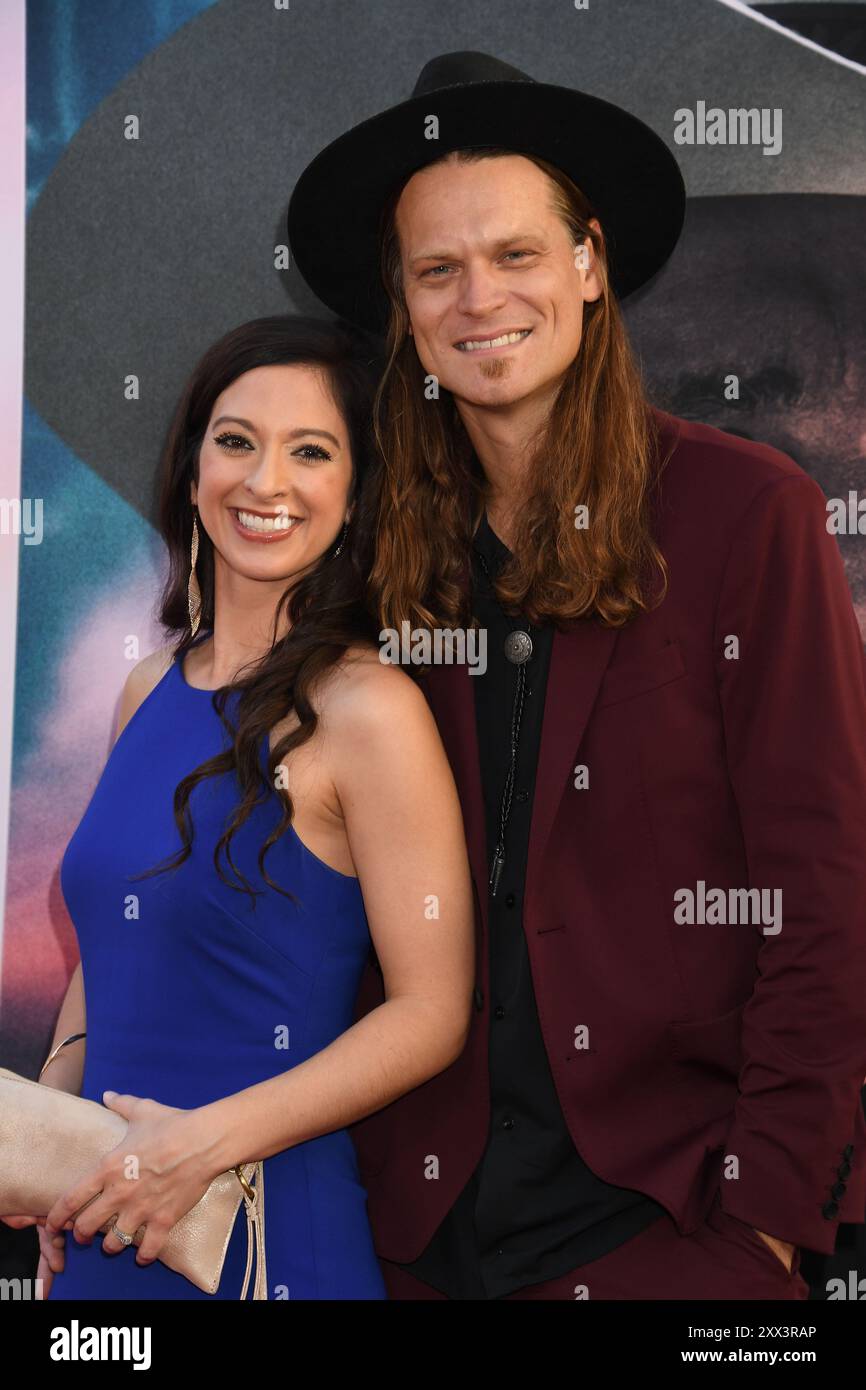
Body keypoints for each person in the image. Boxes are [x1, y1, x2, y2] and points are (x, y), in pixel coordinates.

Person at [287, 50, 866, 1300]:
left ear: (588, 266)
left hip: (665, 1225)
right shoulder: (370, 552)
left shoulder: (744, 514)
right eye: (436, 269)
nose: (477, 297)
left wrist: (764, 1228)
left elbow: (823, 898)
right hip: (407, 1238)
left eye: (514, 254)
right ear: (402, 304)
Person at [1, 314, 474, 1299]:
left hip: (258, 1236)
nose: (264, 482)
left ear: (353, 497)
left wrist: (198, 1148)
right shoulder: (148, 690)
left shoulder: (368, 710)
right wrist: (50, 1139)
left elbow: (430, 1012)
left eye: (311, 452)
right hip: (103, 1219)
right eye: (235, 440)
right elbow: (117, 942)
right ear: (190, 468)